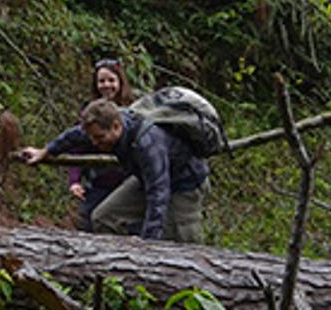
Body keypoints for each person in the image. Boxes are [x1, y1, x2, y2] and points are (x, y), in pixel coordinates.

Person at [21, 97, 207, 242]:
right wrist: (45, 151)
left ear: (116, 126)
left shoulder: (147, 143)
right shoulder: (106, 126)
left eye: (99, 138)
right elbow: (75, 136)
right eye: (92, 137)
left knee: (179, 240)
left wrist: (150, 246)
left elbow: (158, 194)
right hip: (147, 177)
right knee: (104, 218)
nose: (94, 143)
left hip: (184, 183)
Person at [65, 58, 132, 231]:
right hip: (97, 183)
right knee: (88, 224)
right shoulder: (89, 113)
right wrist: (74, 180)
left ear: (120, 82)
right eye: (101, 81)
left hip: (128, 183)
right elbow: (77, 147)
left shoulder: (133, 112)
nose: (106, 85)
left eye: (111, 80)